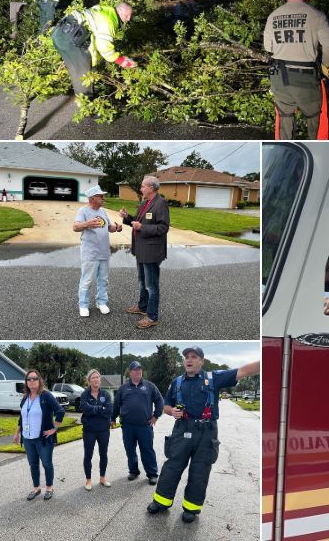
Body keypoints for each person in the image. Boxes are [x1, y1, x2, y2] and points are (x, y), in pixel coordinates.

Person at [147, 346, 261, 523]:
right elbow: (166, 405)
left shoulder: (213, 378)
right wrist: (172, 412)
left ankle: (191, 508)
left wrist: (268, 358)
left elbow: (244, 371)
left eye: (193, 356)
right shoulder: (177, 382)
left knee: (200, 471)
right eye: (186, 357)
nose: (189, 359)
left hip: (207, 432)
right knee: (172, 466)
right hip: (182, 429)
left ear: (201, 361)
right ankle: (161, 501)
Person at [264, 0, 329, 140]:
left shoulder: (273, 15)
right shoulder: (317, 15)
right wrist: (325, 69)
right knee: (316, 119)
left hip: (280, 78)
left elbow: (268, 48)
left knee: (284, 118)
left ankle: (284, 146)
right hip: (307, 79)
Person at [51, 1, 137, 97]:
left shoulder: (104, 10)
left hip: (59, 33)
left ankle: (83, 96)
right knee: (84, 73)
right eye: (126, 15)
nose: (129, 19)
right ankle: (85, 101)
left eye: (130, 16)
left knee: (75, 69)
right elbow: (103, 46)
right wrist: (120, 60)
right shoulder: (109, 20)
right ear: (120, 10)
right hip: (70, 38)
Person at [119, 176, 170, 329]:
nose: (140, 189)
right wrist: (127, 217)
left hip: (152, 251)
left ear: (151, 188)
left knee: (151, 285)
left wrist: (142, 227)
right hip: (141, 249)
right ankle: (142, 307)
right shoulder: (144, 203)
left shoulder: (160, 203)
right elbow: (137, 220)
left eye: (142, 186)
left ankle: (152, 316)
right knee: (142, 281)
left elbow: (163, 227)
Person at [12, 370, 65, 501]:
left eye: (35, 378)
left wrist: (54, 429)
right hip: (28, 438)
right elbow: (22, 417)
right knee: (33, 464)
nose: (32, 381)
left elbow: (60, 411)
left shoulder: (46, 396)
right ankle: (36, 488)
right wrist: (17, 433)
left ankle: (49, 487)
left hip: (43, 438)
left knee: (46, 463)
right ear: (26, 382)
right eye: (29, 379)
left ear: (39, 380)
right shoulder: (25, 397)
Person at [73, 185, 123, 317]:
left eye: (103, 196)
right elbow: (75, 227)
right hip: (90, 253)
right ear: (92, 198)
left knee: (103, 280)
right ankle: (83, 305)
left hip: (104, 252)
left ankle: (101, 302)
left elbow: (109, 227)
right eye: (100, 196)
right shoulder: (83, 211)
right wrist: (86, 224)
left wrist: (117, 228)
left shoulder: (103, 211)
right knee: (87, 280)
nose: (103, 198)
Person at [111, 361, 163, 485]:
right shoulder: (123, 388)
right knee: (130, 450)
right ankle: (133, 471)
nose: (138, 371)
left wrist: (156, 415)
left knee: (147, 450)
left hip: (145, 426)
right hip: (127, 426)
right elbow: (116, 405)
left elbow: (159, 400)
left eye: (139, 369)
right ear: (130, 372)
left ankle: (152, 474)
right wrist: (112, 418)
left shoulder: (149, 386)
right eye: (135, 369)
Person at [81, 369, 112, 490]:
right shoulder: (85, 394)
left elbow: (109, 411)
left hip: (103, 430)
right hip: (89, 431)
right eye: (93, 377)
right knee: (88, 455)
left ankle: (102, 478)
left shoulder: (106, 394)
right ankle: (88, 480)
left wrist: (93, 409)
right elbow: (85, 409)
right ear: (89, 381)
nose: (96, 379)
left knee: (103, 454)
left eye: (97, 377)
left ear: (100, 379)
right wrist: (100, 408)